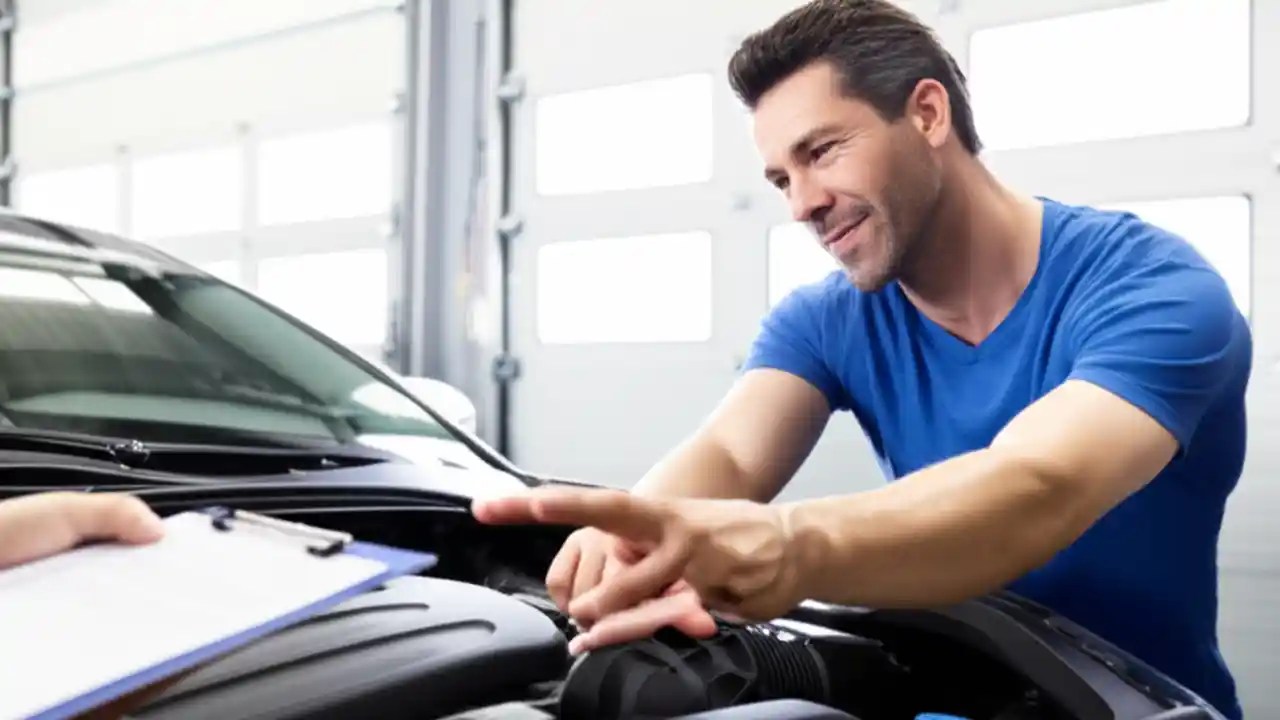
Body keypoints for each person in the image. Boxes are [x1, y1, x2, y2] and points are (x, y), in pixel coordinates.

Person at [473, 1, 1250, 717]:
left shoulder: (1156, 289)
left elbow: (1036, 488)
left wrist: (787, 549)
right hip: (955, 698)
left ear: (926, 112)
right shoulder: (827, 318)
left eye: (824, 151)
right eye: (782, 176)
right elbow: (731, 453)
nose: (800, 203)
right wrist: (636, 539)